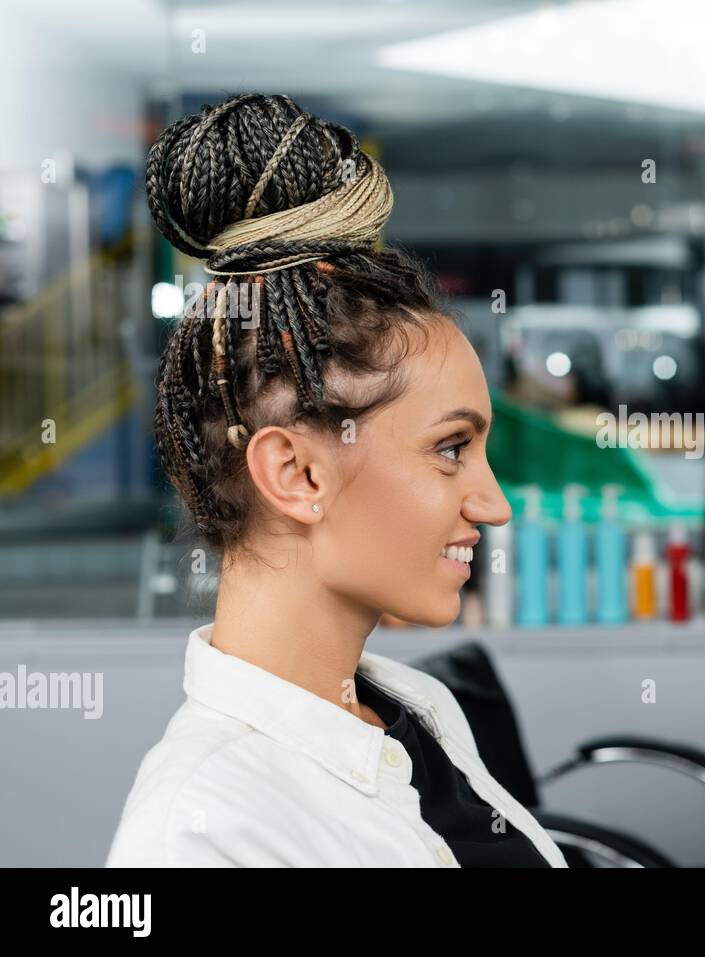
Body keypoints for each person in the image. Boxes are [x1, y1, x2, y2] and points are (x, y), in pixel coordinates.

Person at [106, 94, 565, 867]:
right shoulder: (201, 832)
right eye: (451, 448)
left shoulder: (418, 711)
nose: (494, 504)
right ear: (298, 472)